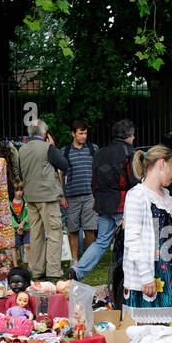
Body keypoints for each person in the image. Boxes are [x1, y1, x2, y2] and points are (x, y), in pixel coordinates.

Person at [70, 118, 138, 280]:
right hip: (123, 204)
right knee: (133, 242)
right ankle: (132, 275)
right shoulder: (130, 153)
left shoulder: (99, 153)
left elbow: (94, 181)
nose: (134, 138)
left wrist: (98, 199)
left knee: (101, 242)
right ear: (128, 136)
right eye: (133, 135)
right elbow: (134, 181)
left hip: (102, 202)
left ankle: (78, 270)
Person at [123, 146, 172, 311]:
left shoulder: (167, 197)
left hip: (168, 272)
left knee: (169, 330)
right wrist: (146, 277)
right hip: (148, 274)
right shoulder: (137, 195)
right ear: (162, 164)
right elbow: (132, 240)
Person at [16, 120, 70, 280]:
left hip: (30, 197)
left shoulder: (22, 150)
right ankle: (53, 270)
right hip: (47, 196)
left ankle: (38, 270)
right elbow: (64, 164)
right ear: (44, 133)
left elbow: (20, 171)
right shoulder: (47, 148)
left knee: (36, 234)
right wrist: (52, 145)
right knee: (54, 233)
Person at [60, 119, 98, 261]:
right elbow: (60, 174)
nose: (84, 136)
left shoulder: (93, 149)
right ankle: (74, 260)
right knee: (73, 229)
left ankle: (89, 260)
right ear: (73, 134)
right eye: (81, 133)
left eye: (85, 133)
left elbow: (98, 171)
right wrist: (61, 196)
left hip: (90, 195)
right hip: (71, 196)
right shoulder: (65, 151)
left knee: (90, 228)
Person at [11, 184, 30, 266]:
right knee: (14, 247)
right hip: (16, 229)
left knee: (28, 245)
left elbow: (30, 213)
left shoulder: (25, 201)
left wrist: (23, 223)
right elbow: (10, 216)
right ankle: (15, 266)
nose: (19, 193)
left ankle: (30, 265)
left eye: (21, 190)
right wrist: (17, 226)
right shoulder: (10, 203)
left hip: (26, 227)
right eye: (16, 190)